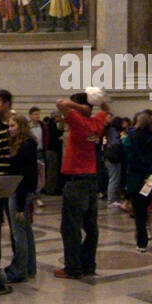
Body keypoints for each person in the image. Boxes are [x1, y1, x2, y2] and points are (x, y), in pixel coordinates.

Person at [54, 89, 106, 279]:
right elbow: (106, 108)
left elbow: (60, 103)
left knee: (70, 227)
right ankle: (88, 264)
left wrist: (78, 108)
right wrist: (92, 105)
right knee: (91, 227)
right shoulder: (97, 121)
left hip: (76, 180)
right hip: (92, 178)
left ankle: (73, 267)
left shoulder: (78, 121)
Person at [2, 113, 39, 282]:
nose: (10, 129)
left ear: (21, 127)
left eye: (13, 126)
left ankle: (19, 270)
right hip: (23, 191)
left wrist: (19, 204)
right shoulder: (27, 144)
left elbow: (24, 175)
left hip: (19, 192)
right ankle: (29, 267)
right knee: (26, 232)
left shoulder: (25, 146)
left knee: (19, 233)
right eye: (9, 126)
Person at [123, 110, 152, 253]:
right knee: (146, 206)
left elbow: (128, 156)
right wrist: (149, 171)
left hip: (135, 176)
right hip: (149, 178)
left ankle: (141, 240)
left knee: (138, 210)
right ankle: (146, 233)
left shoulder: (131, 137)